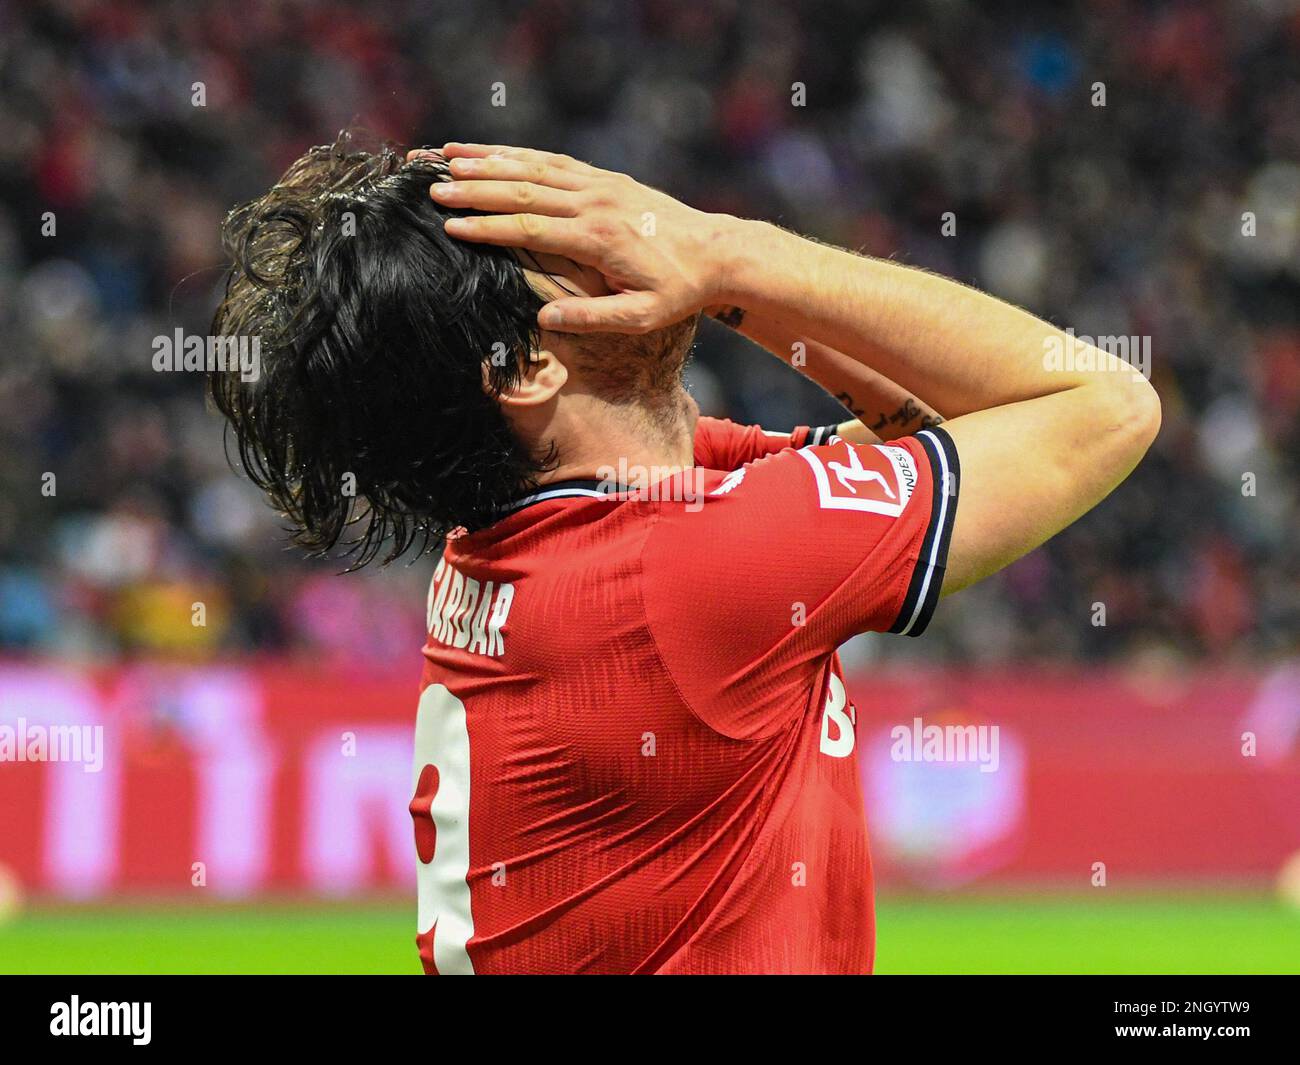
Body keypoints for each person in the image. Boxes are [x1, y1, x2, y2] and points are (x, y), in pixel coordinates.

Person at [209, 133, 1160, 974]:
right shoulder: (687, 568)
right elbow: (1103, 405)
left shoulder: (583, 516)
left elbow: (938, 428)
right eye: (566, 245)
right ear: (526, 367)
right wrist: (726, 251)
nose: (622, 227)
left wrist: (719, 280)